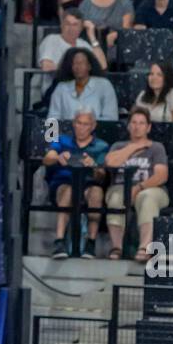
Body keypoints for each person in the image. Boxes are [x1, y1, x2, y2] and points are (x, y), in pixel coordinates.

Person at [104, 107, 169, 262]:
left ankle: (145, 247)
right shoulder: (118, 146)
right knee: (115, 199)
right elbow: (110, 163)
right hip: (120, 187)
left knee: (147, 198)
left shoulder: (156, 147)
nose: (137, 126)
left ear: (148, 127)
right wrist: (133, 147)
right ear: (128, 126)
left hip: (152, 188)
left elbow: (161, 175)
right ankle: (116, 247)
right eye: (133, 122)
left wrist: (139, 187)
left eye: (141, 123)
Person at [43, 109, 109, 259]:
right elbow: (47, 158)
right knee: (69, 191)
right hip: (64, 183)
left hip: (88, 185)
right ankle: (59, 241)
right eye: (79, 123)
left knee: (97, 193)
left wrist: (93, 166)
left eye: (86, 124)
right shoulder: (61, 140)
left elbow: (101, 176)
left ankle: (90, 243)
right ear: (74, 124)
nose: (81, 127)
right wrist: (57, 157)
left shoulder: (101, 146)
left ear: (93, 126)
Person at [49, 48, 119, 123]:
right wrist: (53, 134)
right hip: (66, 133)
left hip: (97, 133)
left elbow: (111, 118)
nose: (78, 66)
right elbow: (52, 119)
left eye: (81, 62)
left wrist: (86, 125)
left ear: (89, 66)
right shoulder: (61, 88)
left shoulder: (104, 85)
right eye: (74, 63)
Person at [39, 8, 105, 73]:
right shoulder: (51, 39)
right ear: (62, 25)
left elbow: (102, 66)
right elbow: (46, 66)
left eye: (75, 25)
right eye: (67, 24)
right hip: (55, 83)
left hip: (79, 83)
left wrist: (92, 36)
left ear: (81, 28)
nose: (71, 28)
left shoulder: (83, 44)